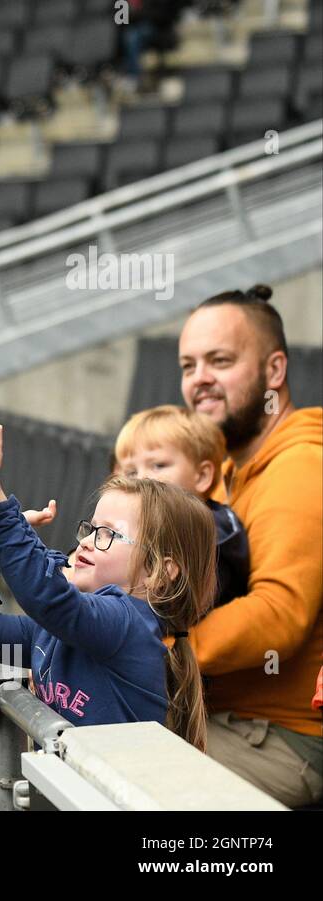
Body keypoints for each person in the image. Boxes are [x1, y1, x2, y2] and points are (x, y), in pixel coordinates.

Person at [0, 421, 213, 747]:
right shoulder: (55, 630)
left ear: (158, 570)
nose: (86, 542)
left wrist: (2, 512)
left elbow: (49, 600)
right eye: (90, 528)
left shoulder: (127, 623)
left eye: (108, 534)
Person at [178, 285, 323, 807]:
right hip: (230, 717)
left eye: (220, 361)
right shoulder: (229, 471)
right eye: (189, 365)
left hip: (288, 737)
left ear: (275, 372)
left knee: (122, 770)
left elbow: (279, 614)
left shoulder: (301, 466)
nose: (200, 380)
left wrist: (161, 651)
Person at [115, 404, 249, 609]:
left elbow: (174, 610)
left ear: (202, 476)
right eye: (131, 472)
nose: (140, 479)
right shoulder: (136, 525)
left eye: (158, 465)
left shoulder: (214, 533)